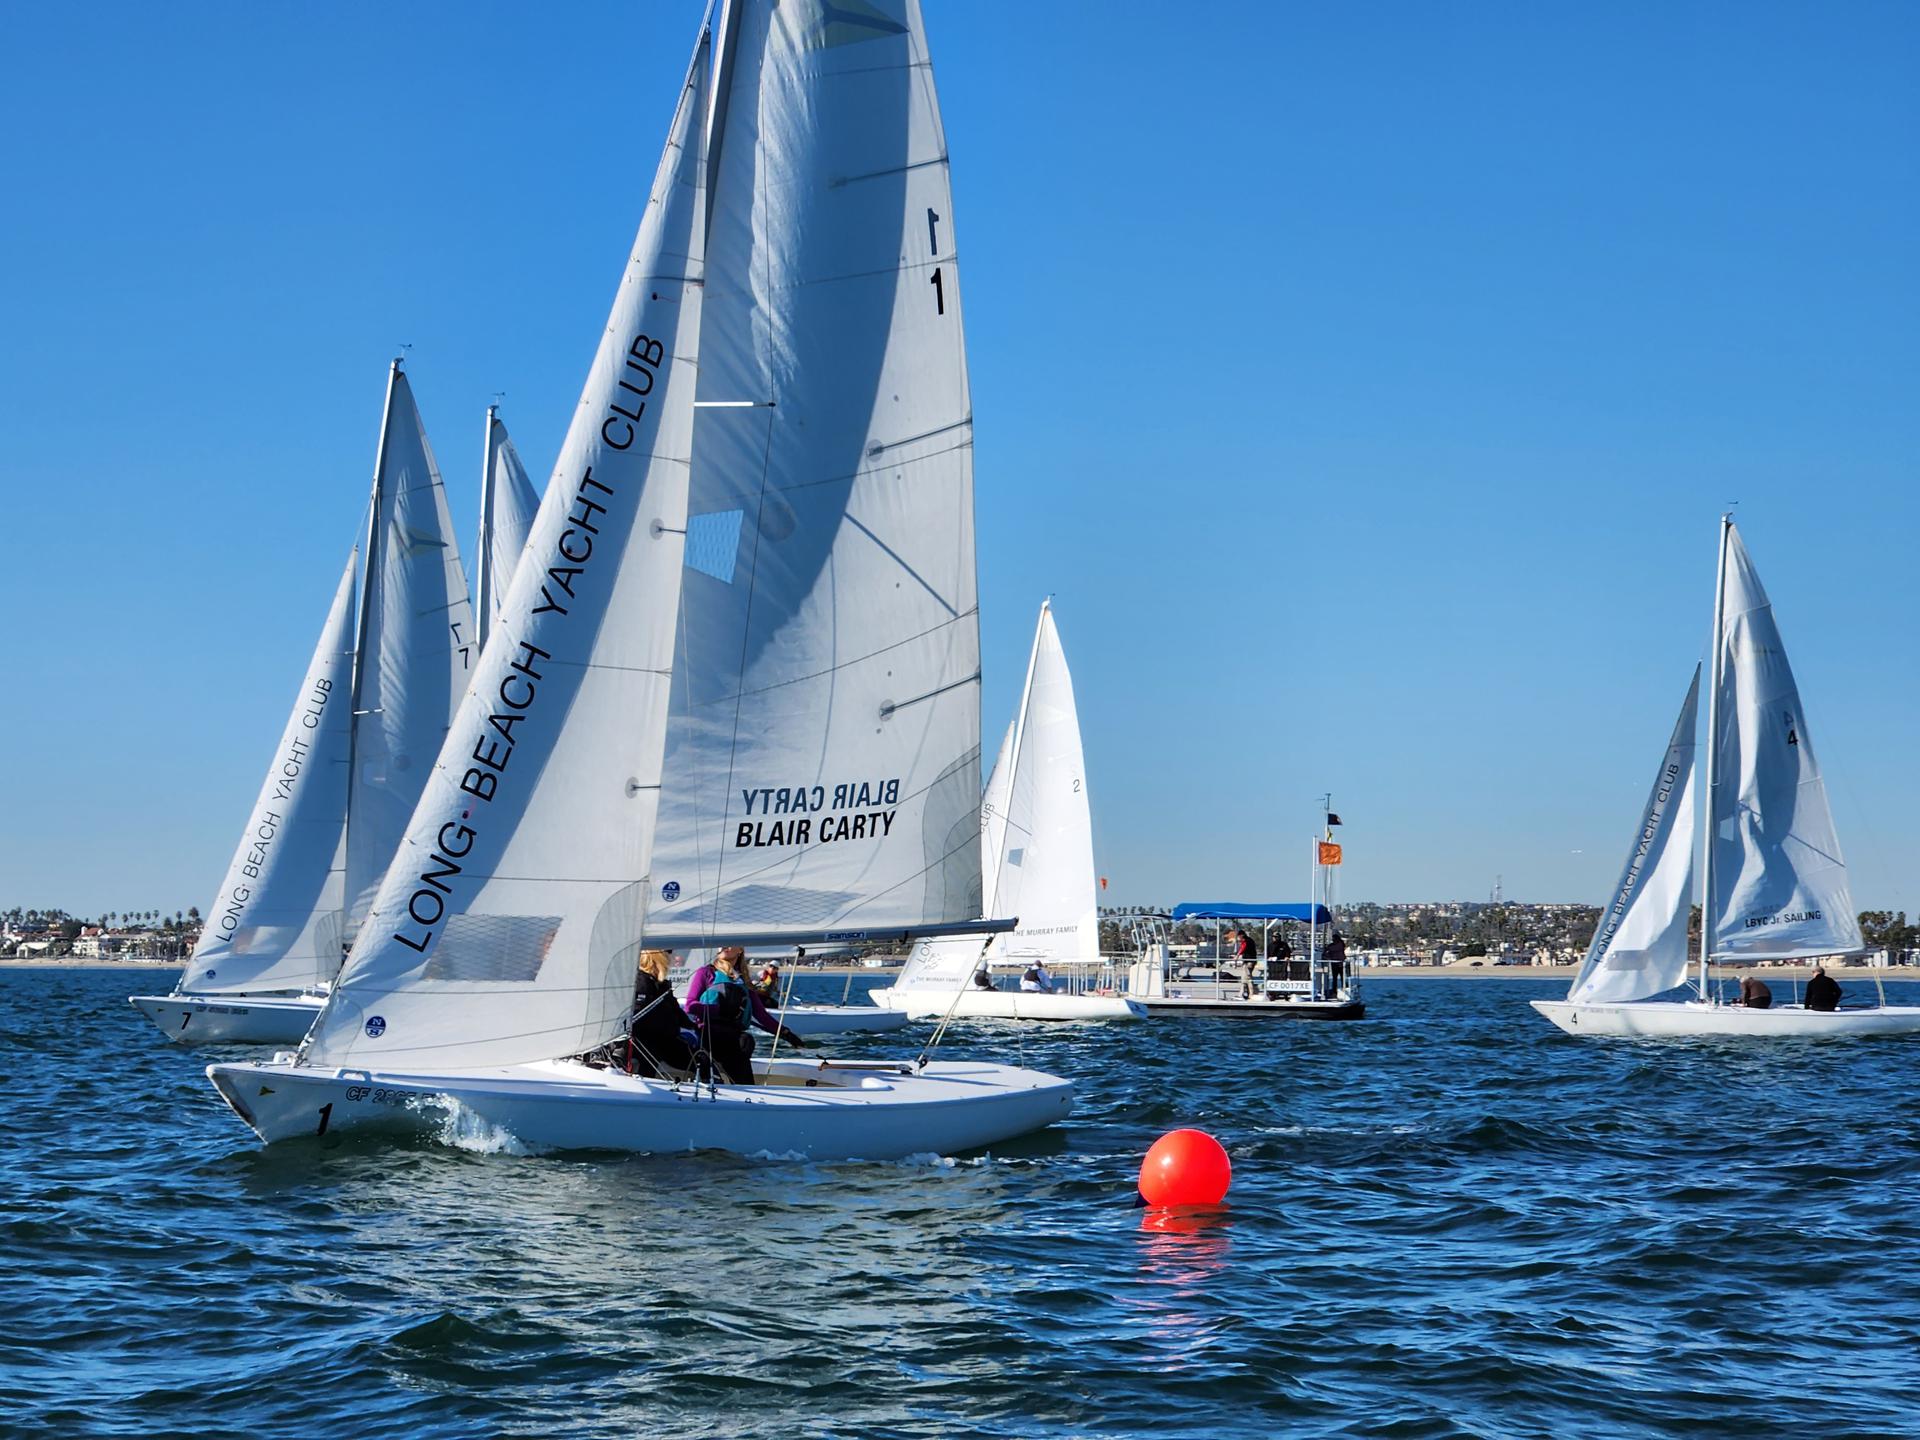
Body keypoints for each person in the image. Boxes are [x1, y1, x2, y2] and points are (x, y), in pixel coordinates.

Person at [628, 949, 698, 1077]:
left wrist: (695, 1027)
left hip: (665, 1039)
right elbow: (639, 1018)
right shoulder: (639, 982)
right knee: (651, 1052)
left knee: (698, 1059)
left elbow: (676, 1012)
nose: (671, 956)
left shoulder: (663, 985)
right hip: (645, 1041)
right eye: (668, 952)